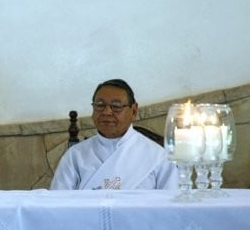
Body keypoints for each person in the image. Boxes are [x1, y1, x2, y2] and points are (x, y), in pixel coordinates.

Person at [50, 78, 178, 190]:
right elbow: (58, 205)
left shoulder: (158, 156)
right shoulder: (75, 156)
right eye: (100, 105)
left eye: (116, 106)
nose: (106, 112)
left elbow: (170, 207)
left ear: (133, 111)